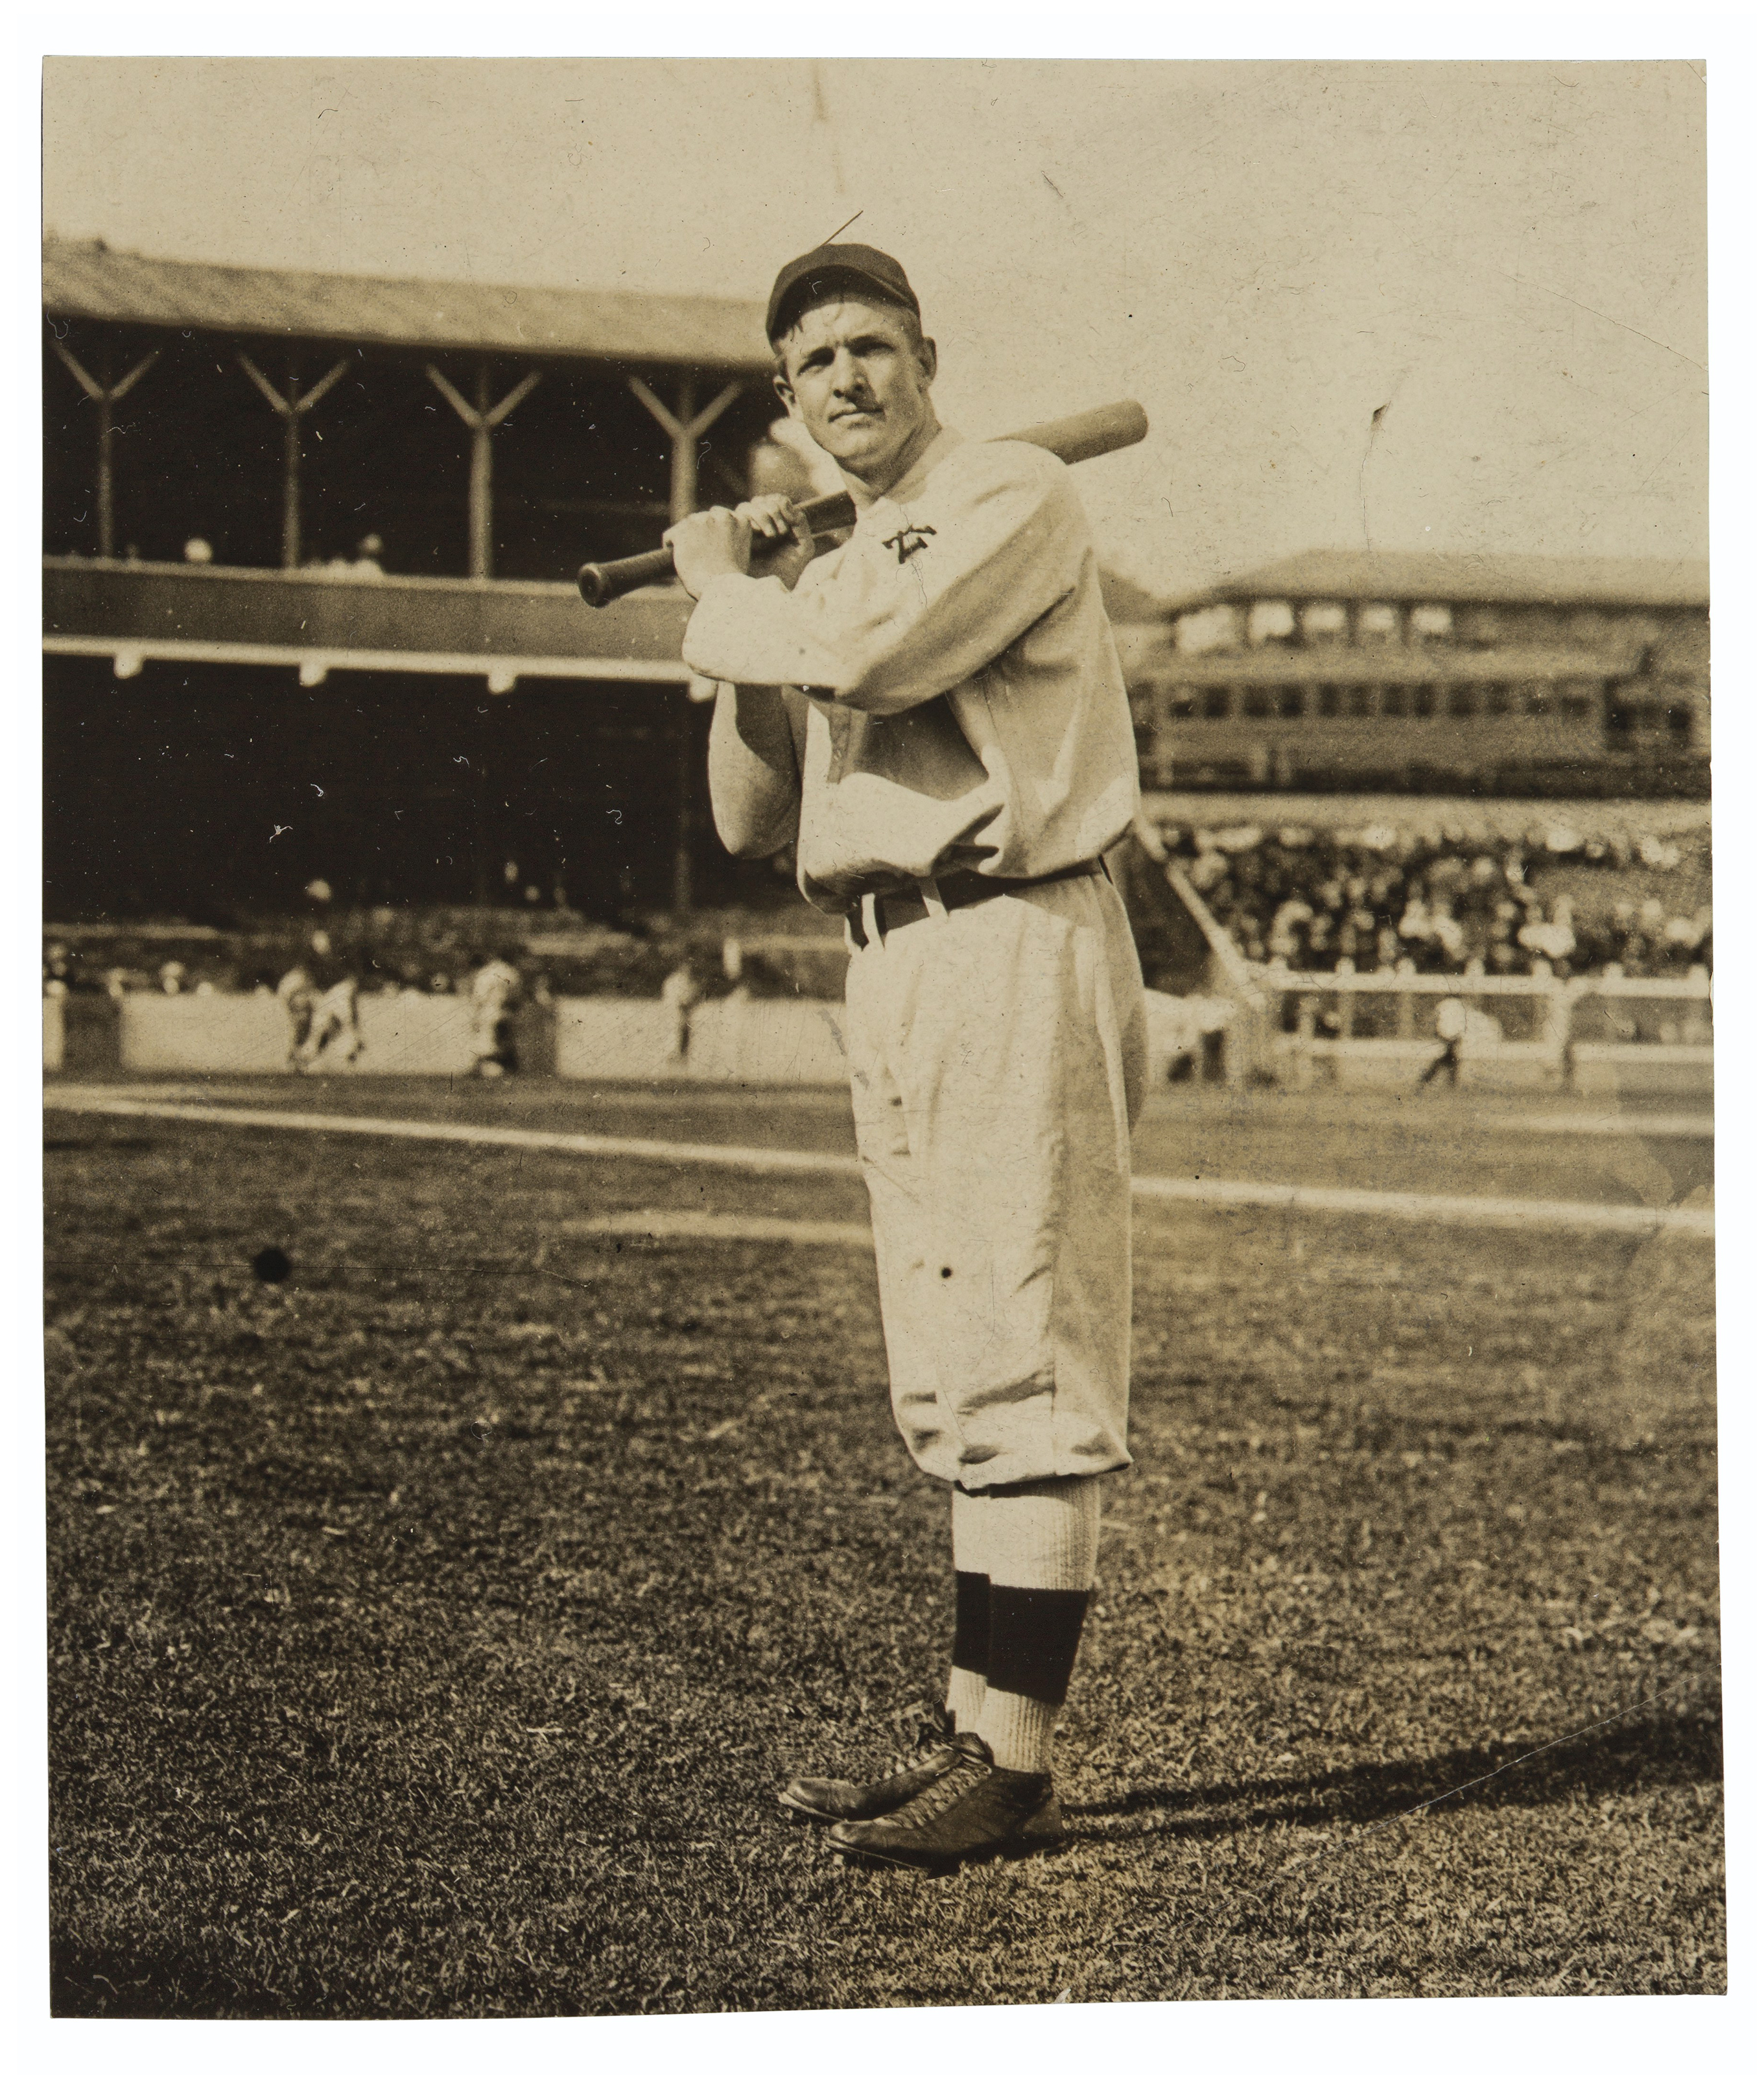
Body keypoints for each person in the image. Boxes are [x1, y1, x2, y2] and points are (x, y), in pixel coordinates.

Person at [665, 243, 1147, 1870]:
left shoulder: (1003, 493)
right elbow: (747, 820)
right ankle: (967, 1725)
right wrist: (747, 616)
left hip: (1013, 923)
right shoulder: (842, 567)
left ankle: (1010, 1761)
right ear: (786, 401)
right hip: (888, 961)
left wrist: (719, 592)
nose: (849, 381)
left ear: (924, 358)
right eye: (815, 366)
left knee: (1021, 1339)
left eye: (873, 348)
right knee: (950, 1363)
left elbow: (868, 660)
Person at [467, 950, 521, 1078]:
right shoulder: (513, 973)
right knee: (503, 1043)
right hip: (505, 1012)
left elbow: (479, 997)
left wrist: (475, 1015)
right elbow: (517, 996)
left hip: (488, 1011)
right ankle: (506, 1070)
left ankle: (484, 1070)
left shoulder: (486, 973)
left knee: (487, 1044)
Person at [1418, 992, 1466, 1088]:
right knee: (1450, 1059)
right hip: (1454, 1035)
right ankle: (1449, 1082)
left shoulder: (1443, 1004)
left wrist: (1438, 1032)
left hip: (1445, 1034)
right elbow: (1461, 1022)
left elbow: (1437, 1019)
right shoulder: (1460, 1005)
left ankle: (1428, 1079)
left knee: (1450, 1058)